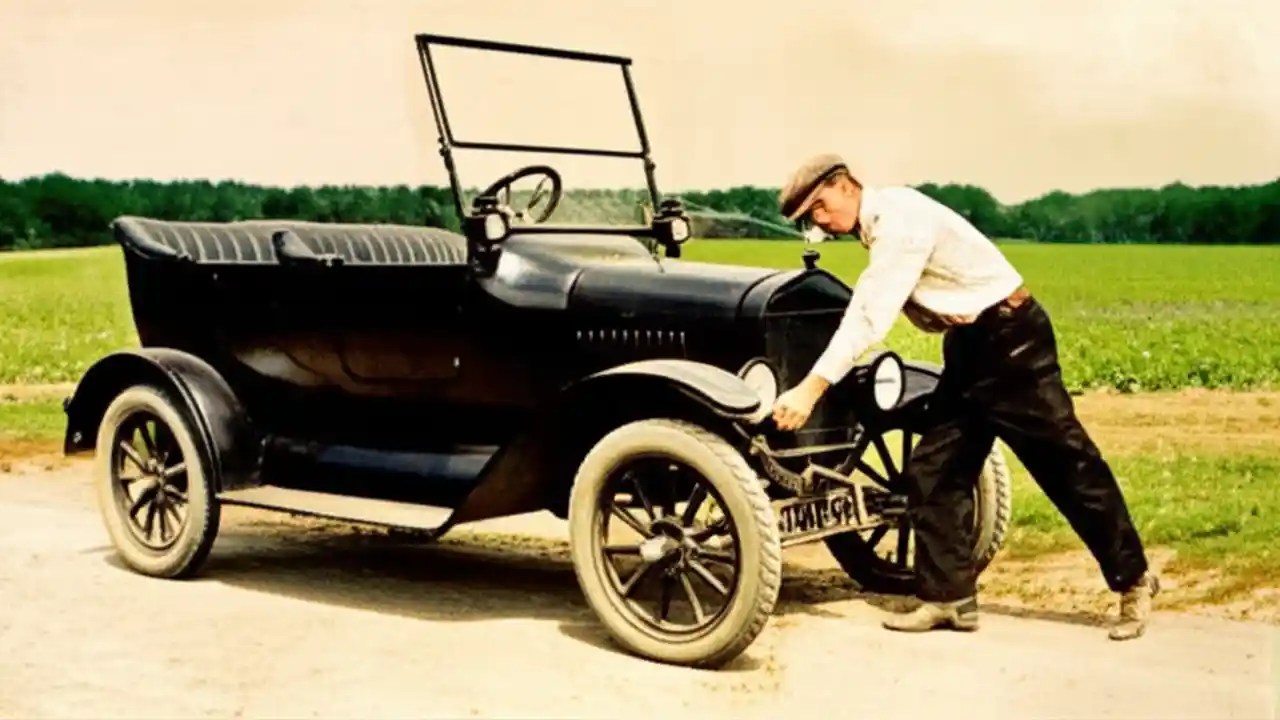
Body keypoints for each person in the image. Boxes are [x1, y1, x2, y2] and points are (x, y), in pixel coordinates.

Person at [770, 153, 1159, 640]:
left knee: (1068, 466)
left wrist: (810, 388)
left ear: (845, 185)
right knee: (933, 470)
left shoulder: (897, 222)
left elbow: (868, 314)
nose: (820, 224)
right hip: (974, 348)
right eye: (810, 220)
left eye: (820, 208)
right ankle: (949, 599)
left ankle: (1135, 581)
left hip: (1012, 345)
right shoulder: (885, 221)